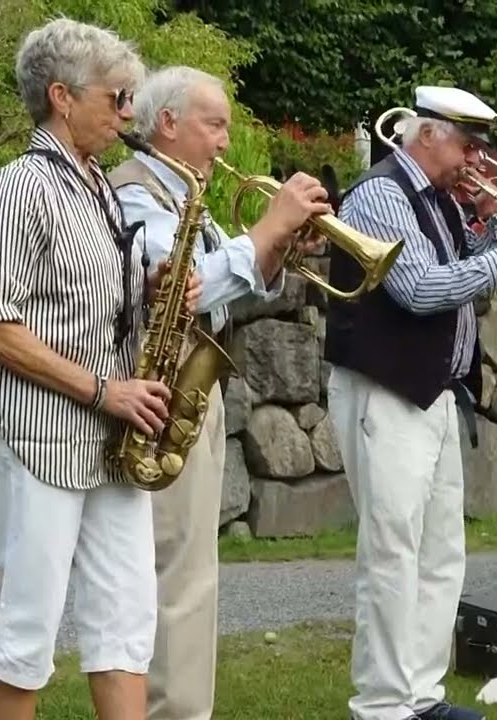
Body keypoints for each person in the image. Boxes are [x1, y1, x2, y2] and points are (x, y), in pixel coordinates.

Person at [0, 18, 199, 720]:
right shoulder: (17, 188)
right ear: (62, 97)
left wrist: (152, 293)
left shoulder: (92, 184)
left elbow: (86, 302)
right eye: (118, 97)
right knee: (28, 624)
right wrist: (103, 390)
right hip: (39, 437)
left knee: (125, 622)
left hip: (109, 440)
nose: (129, 113)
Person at [110, 65, 332, 720]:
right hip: (157, 391)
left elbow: (236, 284)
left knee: (194, 574)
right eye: (216, 124)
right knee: (173, 575)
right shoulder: (135, 192)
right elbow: (181, 285)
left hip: (187, 389)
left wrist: (276, 246)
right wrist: (265, 229)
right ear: (168, 124)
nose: (226, 144)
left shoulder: (187, 193)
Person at [324, 86, 497, 720]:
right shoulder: (382, 195)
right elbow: (422, 290)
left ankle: (420, 693)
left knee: (442, 550)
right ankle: (382, 703)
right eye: (467, 145)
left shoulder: (439, 202)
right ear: (426, 136)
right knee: (393, 551)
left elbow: (470, 273)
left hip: (435, 394)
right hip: (386, 388)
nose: (475, 159)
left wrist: (495, 220)